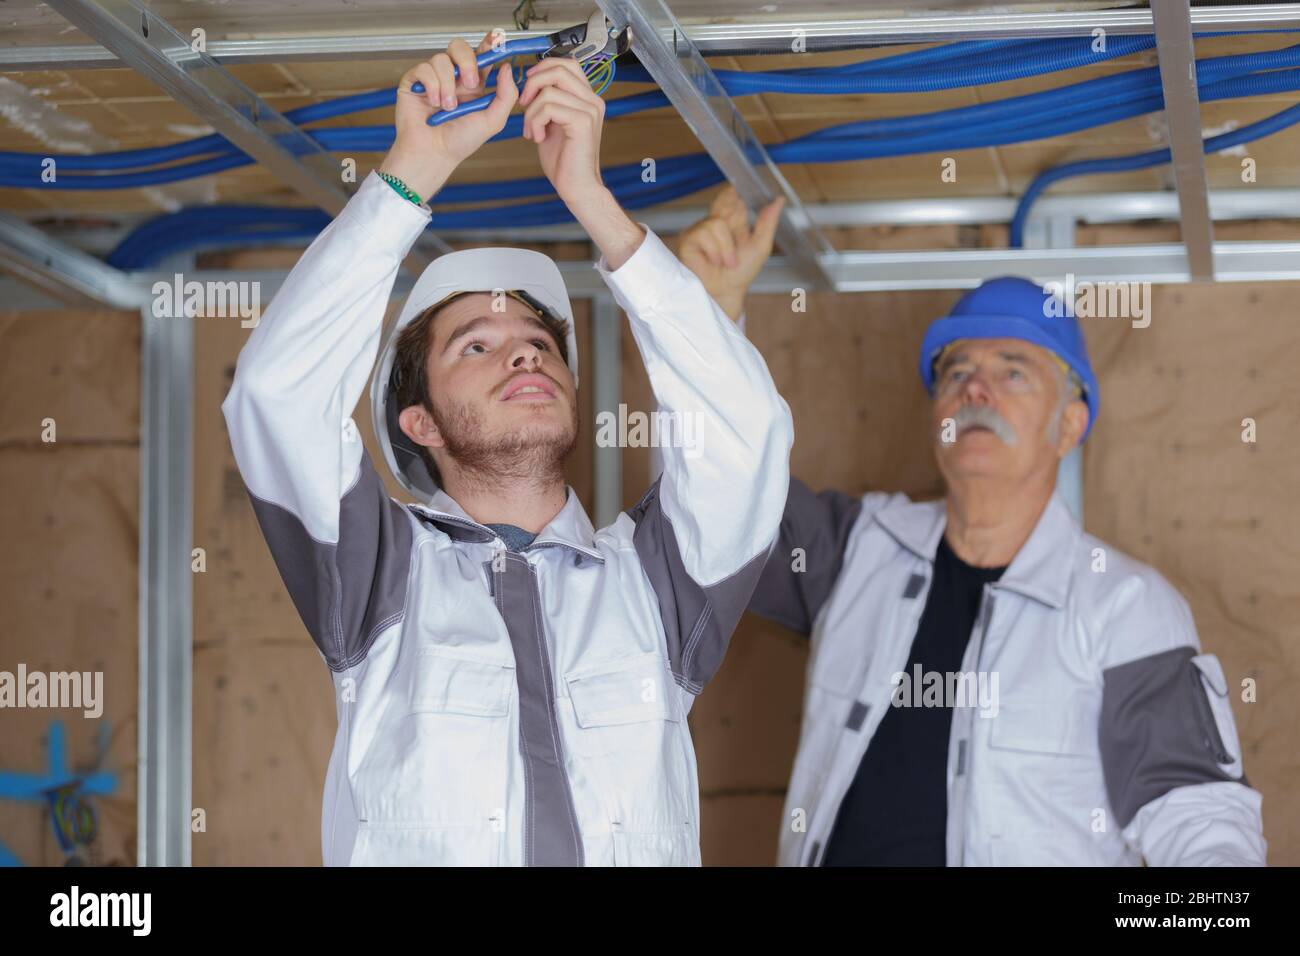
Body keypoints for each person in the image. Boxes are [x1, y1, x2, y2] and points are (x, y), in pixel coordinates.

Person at [221, 35, 793, 866]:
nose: (525, 353)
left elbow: (749, 434)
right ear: (420, 422)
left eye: (538, 341)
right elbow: (276, 396)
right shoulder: (379, 573)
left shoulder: (655, 587)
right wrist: (412, 168)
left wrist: (592, 200)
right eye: (477, 347)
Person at [677, 186, 1267, 866]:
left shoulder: (1123, 607)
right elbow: (724, 508)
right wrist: (709, 321)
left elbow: (1198, 817)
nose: (975, 390)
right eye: (957, 372)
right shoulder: (858, 547)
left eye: (1012, 372)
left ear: (1069, 424)